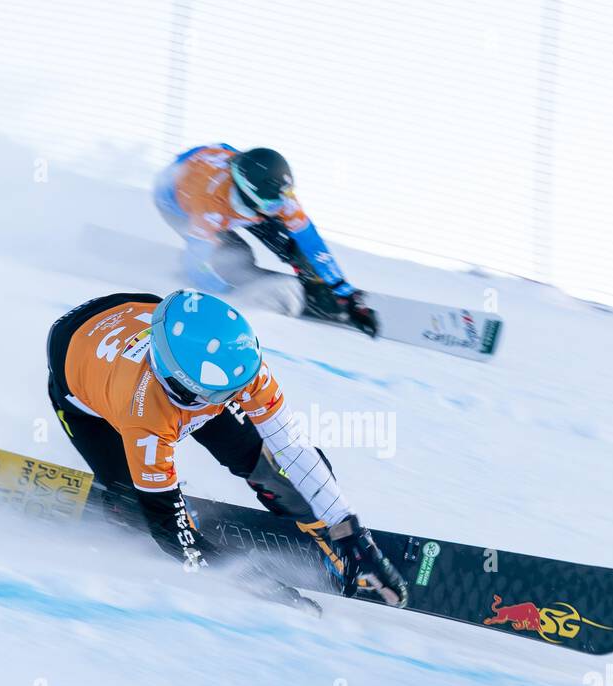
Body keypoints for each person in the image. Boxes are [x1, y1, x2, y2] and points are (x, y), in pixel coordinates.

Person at [45, 288, 408, 611]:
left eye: (235, 391)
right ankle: (127, 500)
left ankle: (320, 534)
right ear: (181, 387)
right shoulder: (146, 421)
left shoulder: (242, 369)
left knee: (267, 465)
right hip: (77, 379)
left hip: (138, 315)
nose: (231, 400)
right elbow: (172, 533)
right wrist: (255, 584)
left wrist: (351, 536)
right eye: (218, 396)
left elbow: (292, 449)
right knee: (136, 507)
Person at [153, 144, 378, 336]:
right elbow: (196, 264)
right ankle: (243, 279)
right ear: (247, 194)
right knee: (234, 257)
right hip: (174, 200)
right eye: (272, 205)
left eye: (282, 202)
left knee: (286, 239)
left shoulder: (279, 197)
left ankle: (315, 286)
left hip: (220, 169)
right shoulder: (209, 207)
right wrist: (226, 296)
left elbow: (310, 241)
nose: (282, 208)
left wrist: (342, 290)